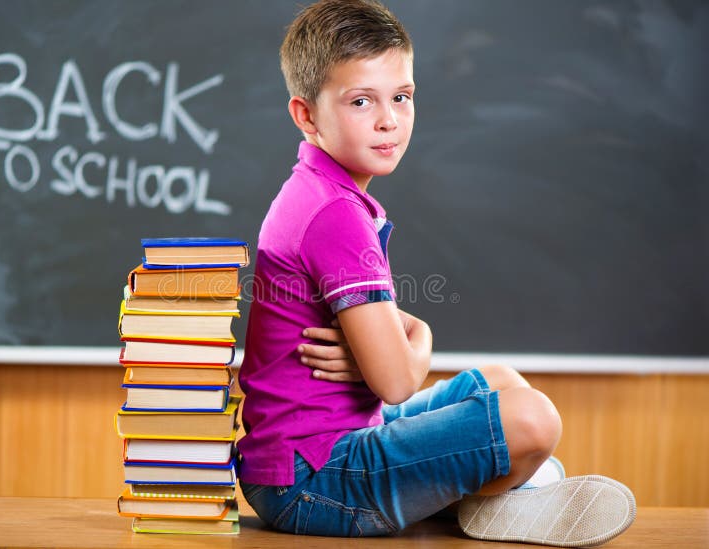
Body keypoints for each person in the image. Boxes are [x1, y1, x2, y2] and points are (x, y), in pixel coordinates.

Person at [237, 1, 636, 545]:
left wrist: (390, 350)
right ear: (306, 116)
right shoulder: (335, 215)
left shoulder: (321, 192)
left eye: (401, 97)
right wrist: (420, 335)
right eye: (361, 102)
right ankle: (496, 500)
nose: (389, 120)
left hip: (323, 453)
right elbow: (397, 381)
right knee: (532, 420)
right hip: (314, 482)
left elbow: (385, 368)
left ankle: (494, 497)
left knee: (500, 381)